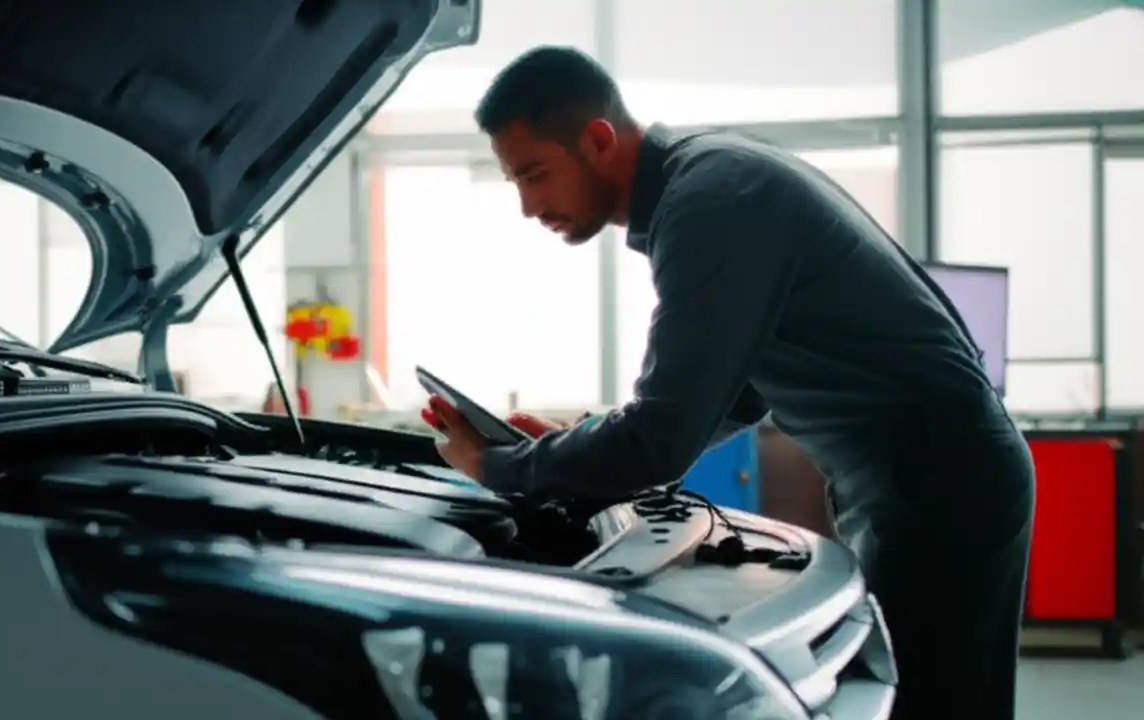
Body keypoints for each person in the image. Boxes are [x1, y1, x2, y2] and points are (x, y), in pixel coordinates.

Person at [420, 46, 1036, 719]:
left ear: (597, 139)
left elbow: (662, 439)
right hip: (926, 474)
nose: (528, 206)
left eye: (535, 174)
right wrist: (585, 441)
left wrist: (501, 465)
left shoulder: (712, 201)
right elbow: (735, 397)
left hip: (941, 480)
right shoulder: (710, 181)